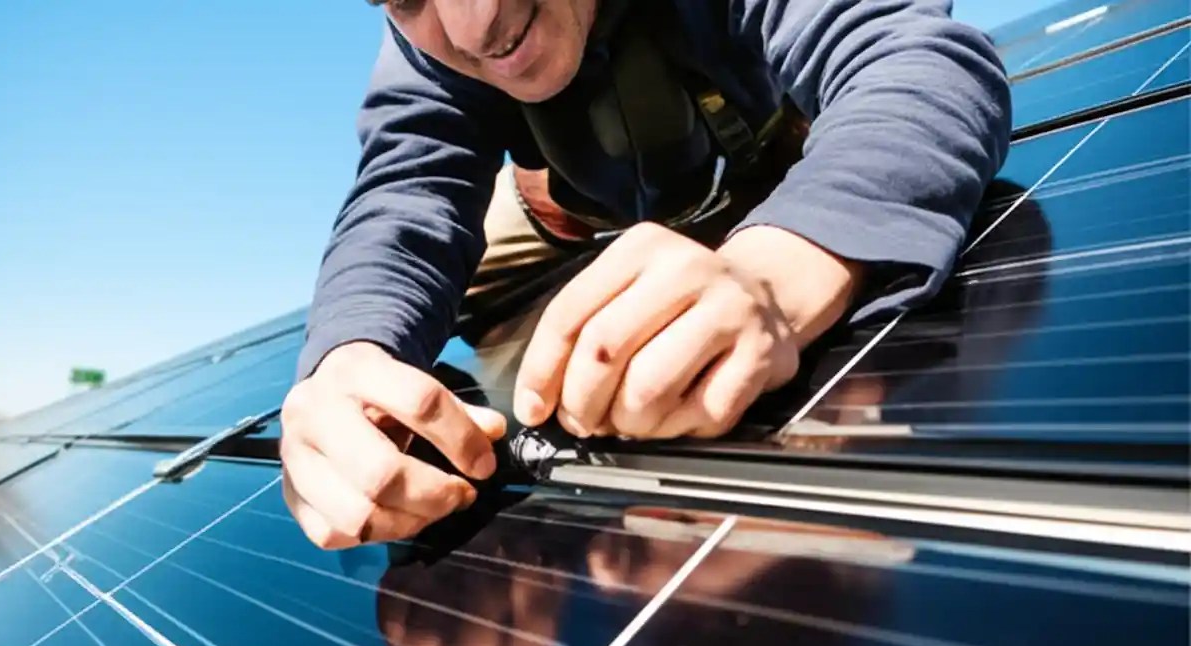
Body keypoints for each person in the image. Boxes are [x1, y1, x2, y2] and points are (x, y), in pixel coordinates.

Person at [279, 0, 1013, 550]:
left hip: (760, 164)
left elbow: (909, 55)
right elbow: (405, 198)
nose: (474, 27)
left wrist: (789, 258)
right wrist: (349, 359)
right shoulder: (429, 52)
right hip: (568, 217)